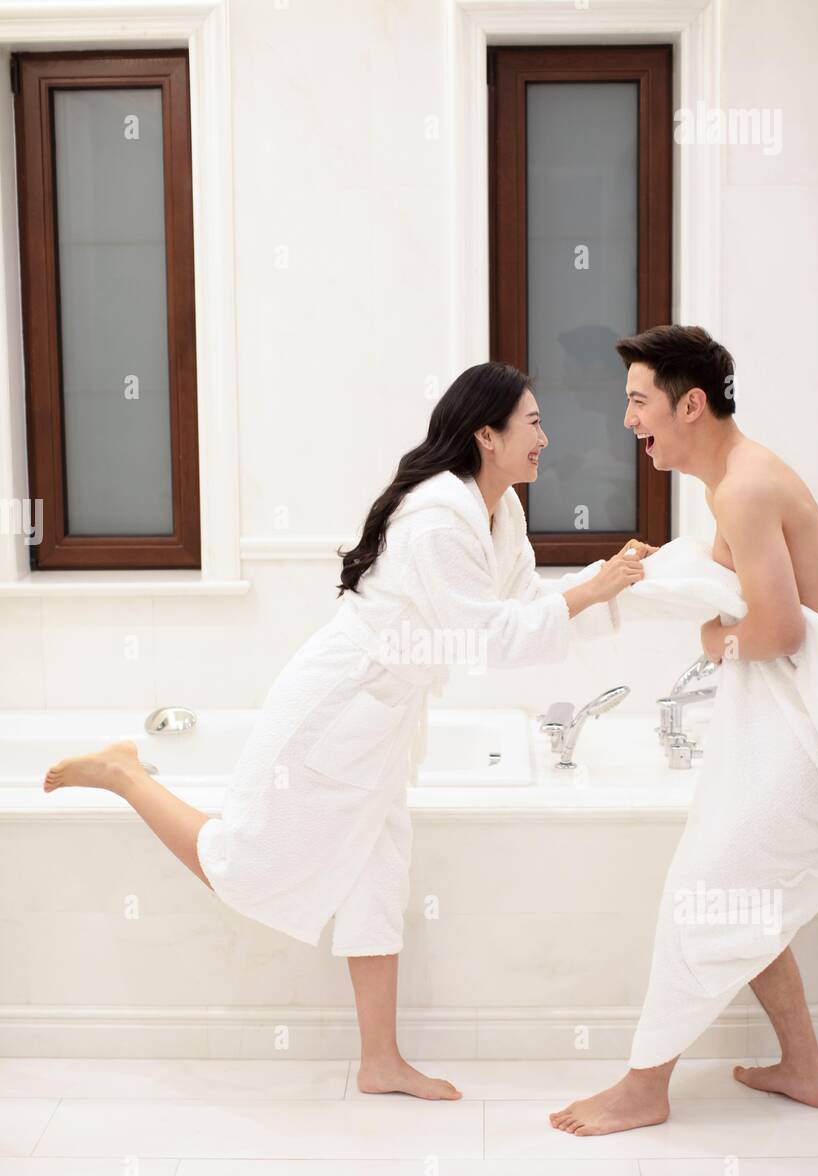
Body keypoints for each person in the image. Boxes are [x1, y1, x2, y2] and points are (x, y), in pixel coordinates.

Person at [43, 361, 650, 1102]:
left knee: (376, 881)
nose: (545, 440)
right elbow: (484, 641)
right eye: (533, 424)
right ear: (487, 436)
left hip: (385, 719)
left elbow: (524, 603)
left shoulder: (499, 512)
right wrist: (596, 588)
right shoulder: (435, 517)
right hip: (335, 708)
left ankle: (379, 1062)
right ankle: (126, 774)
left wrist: (606, 580)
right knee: (241, 863)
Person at [551, 324, 818, 1137]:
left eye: (638, 402)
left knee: (709, 894)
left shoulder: (745, 487)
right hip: (794, 726)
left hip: (810, 737)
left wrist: (714, 642)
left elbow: (785, 632)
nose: (627, 422)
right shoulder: (733, 479)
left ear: (691, 404)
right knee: (742, 898)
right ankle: (803, 1069)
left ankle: (644, 1087)